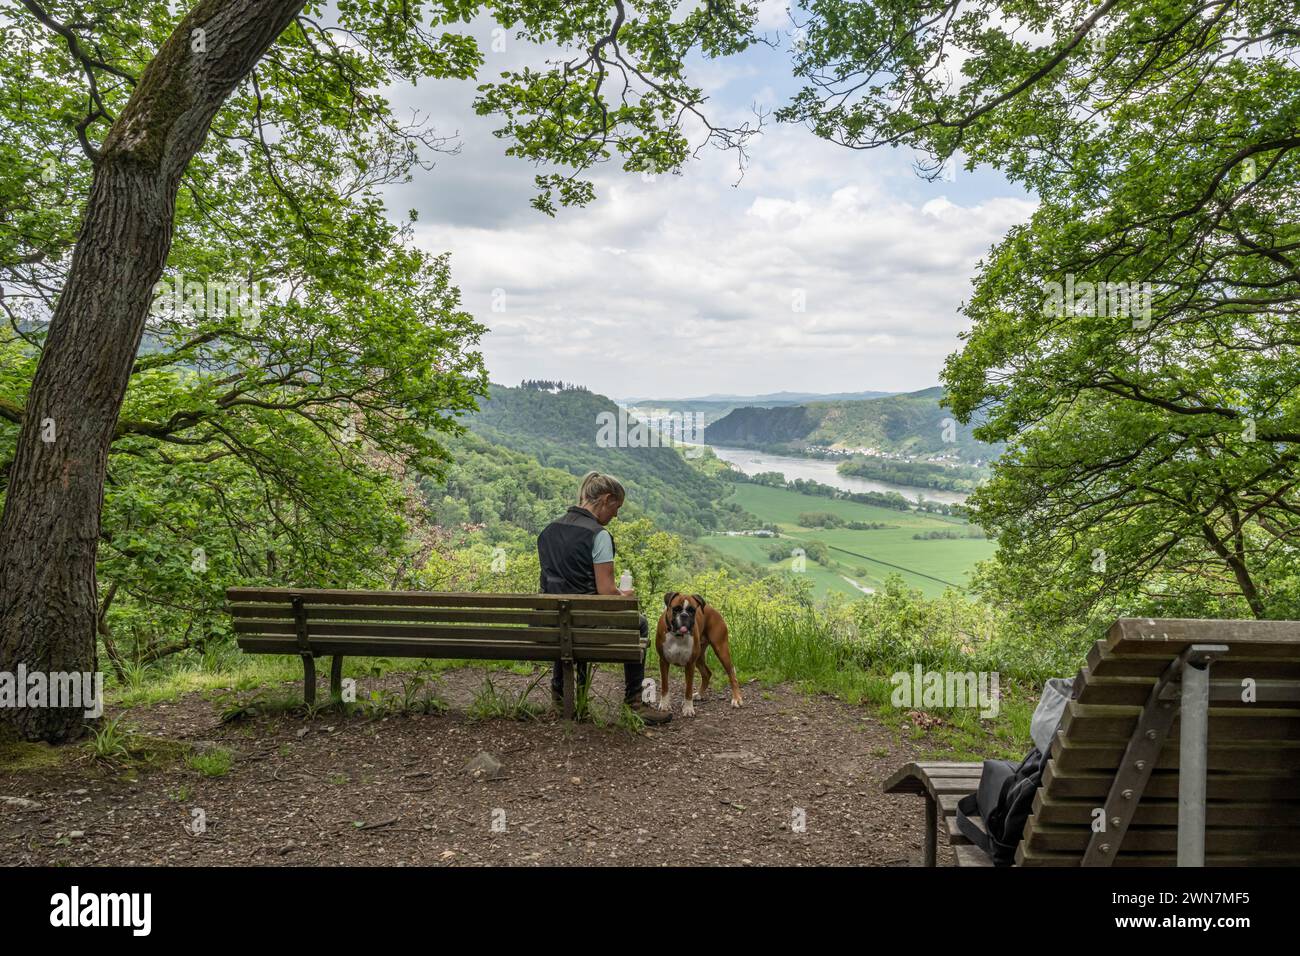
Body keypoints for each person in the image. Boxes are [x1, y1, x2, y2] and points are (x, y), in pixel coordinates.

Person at [537, 471, 670, 724]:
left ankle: (559, 701)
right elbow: (606, 593)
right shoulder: (599, 536)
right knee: (638, 622)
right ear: (607, 499)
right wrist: (625, 595)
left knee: (564, 622)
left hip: (551, 623)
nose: (616, 515)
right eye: (617, 507)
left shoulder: (548, 531)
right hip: (586, 624)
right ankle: (634, 702)